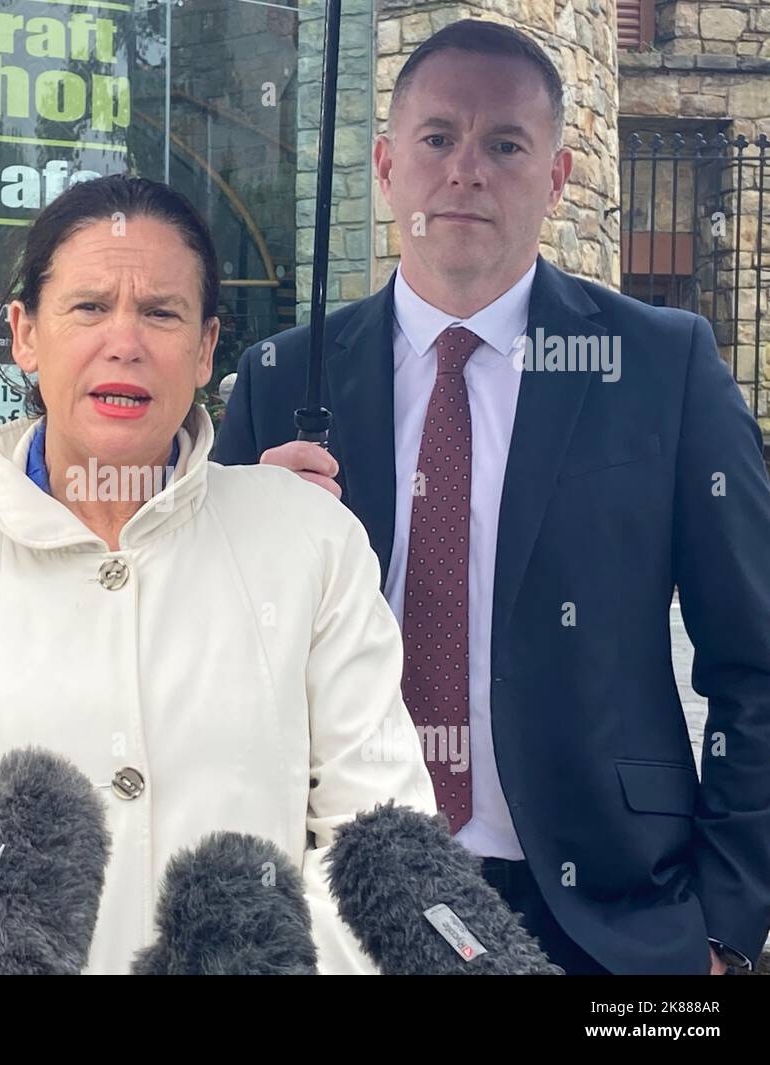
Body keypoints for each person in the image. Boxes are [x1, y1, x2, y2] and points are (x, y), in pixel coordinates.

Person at [215, 18, 770, 975]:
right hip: (346, 892)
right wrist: (239, 538)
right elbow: (205, 655)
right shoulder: (282, 376)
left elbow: (754, 658)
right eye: (438, 138)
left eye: (505, 143)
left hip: (615, 915)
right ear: (388, 164)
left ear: (554, 179)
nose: (466, 170)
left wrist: (723, 923)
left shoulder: (662, 367)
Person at [0, 174, 437, 974]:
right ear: (24, 334)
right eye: (89, 306)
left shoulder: (313, 544)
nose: (125, 341)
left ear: (207, 349)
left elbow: (377, 836)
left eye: (162, 312)